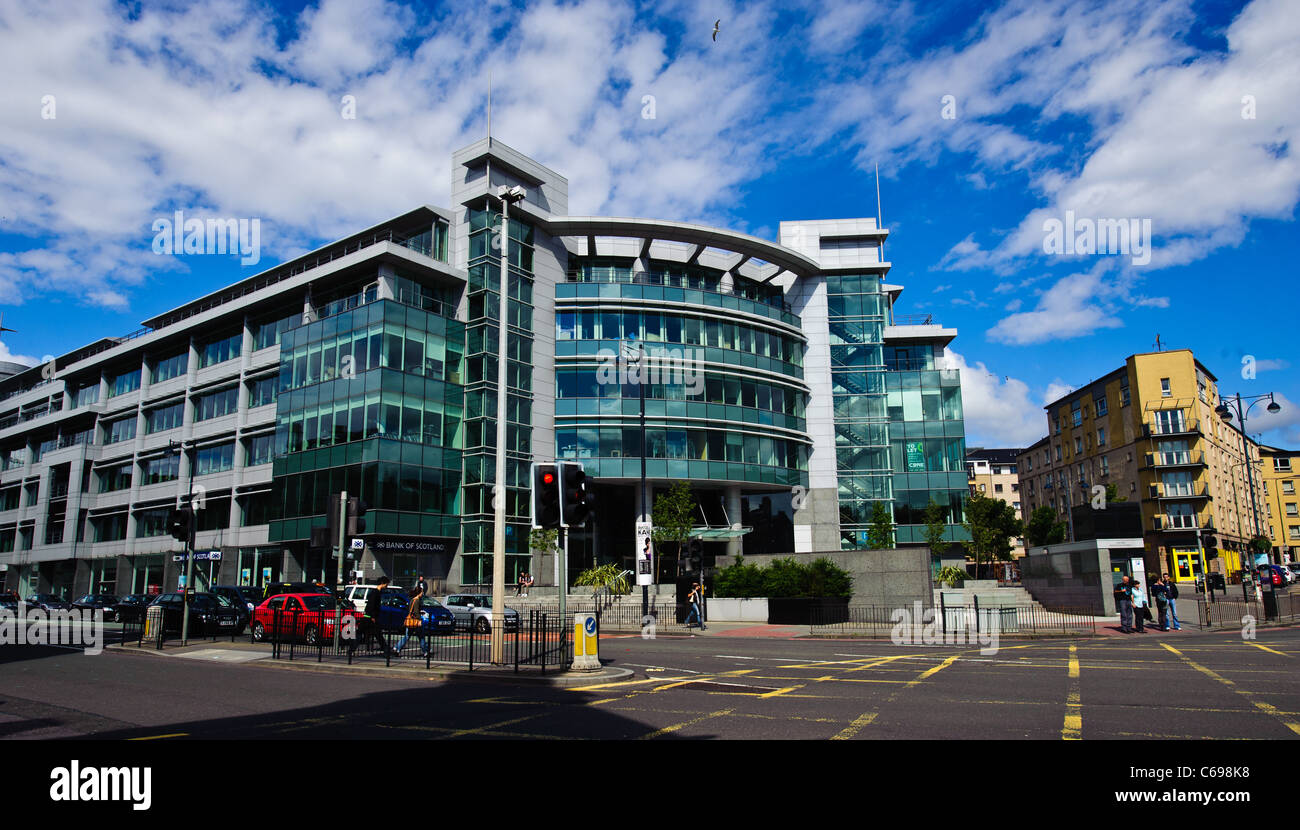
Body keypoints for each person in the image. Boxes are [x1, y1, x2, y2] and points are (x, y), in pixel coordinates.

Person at [392, 586, 428, 657]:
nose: (422, 593)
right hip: (415, 621)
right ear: (419, 593)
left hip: (410, 620)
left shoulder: (412, 600)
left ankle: (397, 648)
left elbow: (411, 611)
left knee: (407, 636)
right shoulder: (417, 600)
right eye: (422, 592)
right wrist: (420, 618)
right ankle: (425, 651)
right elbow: (416, 612)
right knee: (421, 637)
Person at [363, 576, 393, 654]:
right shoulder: (375, 592)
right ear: (382, 583)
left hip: (370, 616)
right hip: (370, 617)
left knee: (375, 633)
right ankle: (385, 649)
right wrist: (373, 616)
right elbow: (372, 605)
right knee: (377, 633)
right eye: (386, 584)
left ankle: (385, 648)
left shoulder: (377, 592)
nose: (387, 586)